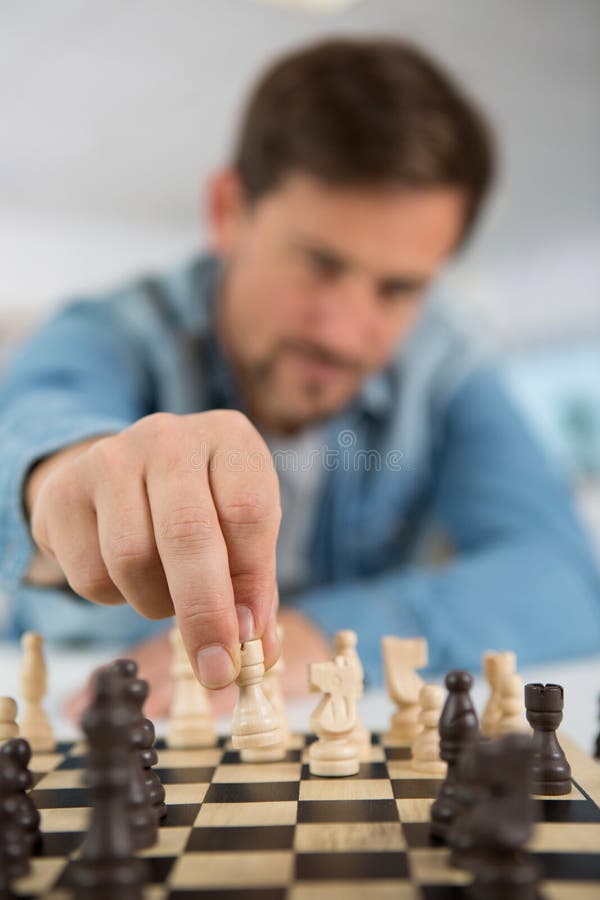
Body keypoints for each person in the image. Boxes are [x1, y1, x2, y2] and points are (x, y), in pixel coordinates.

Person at [1, 38, 599, 718]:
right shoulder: (109, 332)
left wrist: (324, 637)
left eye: (397, 290)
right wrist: (66, 488)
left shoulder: (446, 364)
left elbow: (562, 582)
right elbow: (33, 433)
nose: (343, 332)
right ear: (229, 211)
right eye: (319, 264)